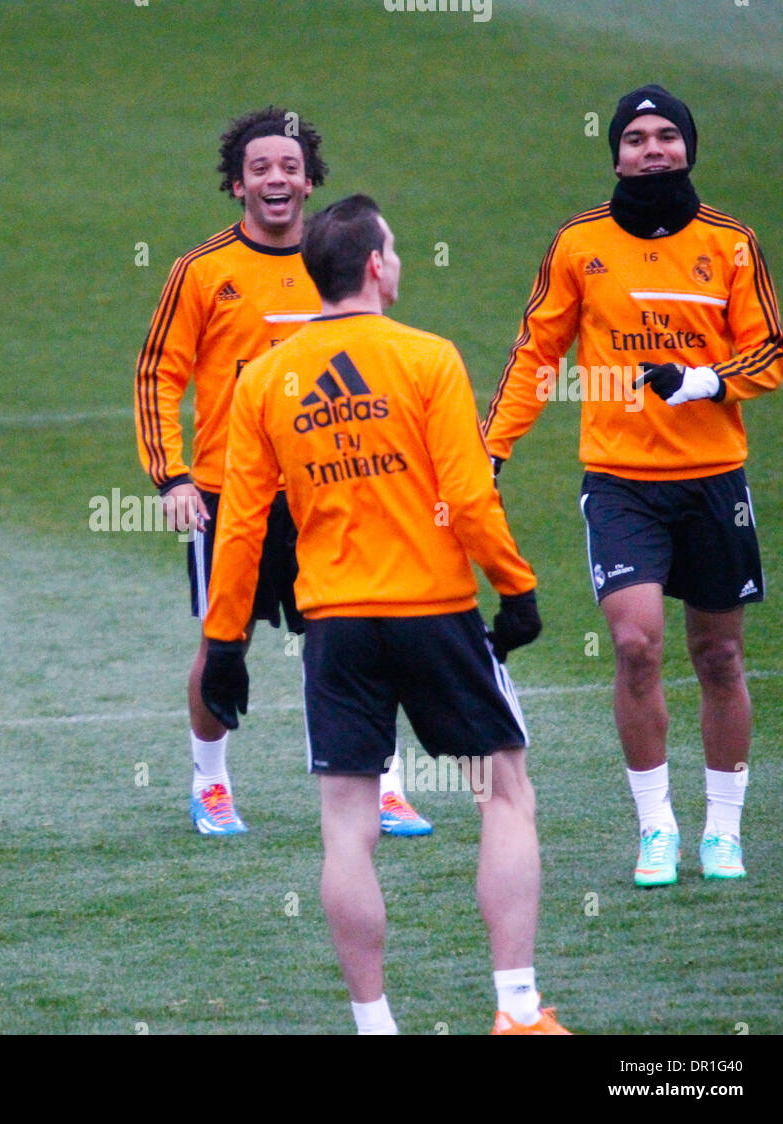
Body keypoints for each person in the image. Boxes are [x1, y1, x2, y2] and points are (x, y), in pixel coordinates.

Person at [200, 194, 568, 1034]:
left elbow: (242, 529)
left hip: (334, 626)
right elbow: (469, 496)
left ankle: (375, 1025)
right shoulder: (428, 358)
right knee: (504, 793)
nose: (397, 261)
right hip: (434, 612)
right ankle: (516, 1012)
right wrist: (515, 587)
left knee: (347, 825)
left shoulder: (264, 379)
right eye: (394, 249)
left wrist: (226, 644)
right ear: (374, 266)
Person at [483, 85, 783, 887]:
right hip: (620, 483)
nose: (652, 150)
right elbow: (535, 355)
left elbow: (772, 355)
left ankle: (723, 829)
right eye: (635, 139)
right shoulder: (578, 244)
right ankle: (657, 827)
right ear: (614, 153)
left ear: (688, 147)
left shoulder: (731, 244)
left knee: (719, 655)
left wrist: (703, 382)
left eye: (665, 137)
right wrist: (492, 452)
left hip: (712, 480)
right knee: (634, 642)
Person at [134, 107, 431, 836]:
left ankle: (381, 786)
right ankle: (210, 786)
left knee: (358, 635)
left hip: (330, 491)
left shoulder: (336, 262)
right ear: (238, 184)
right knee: (221, 640)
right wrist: (171, 477)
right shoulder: (203, 272)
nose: (277, 177)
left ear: (309, 180)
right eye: (261, 167)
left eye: (290, 167)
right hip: (227, 495)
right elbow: (157, 376)